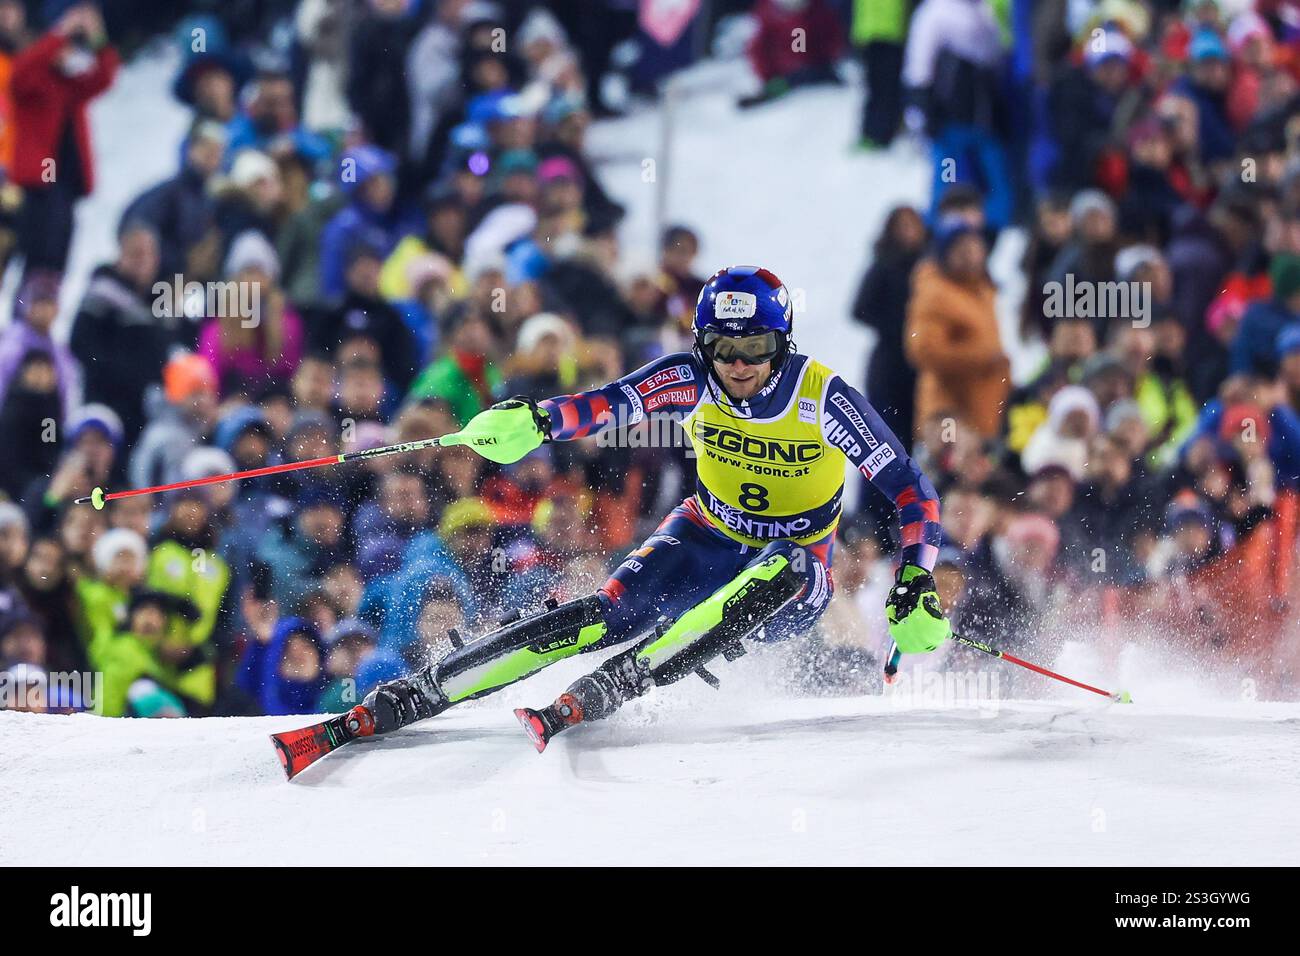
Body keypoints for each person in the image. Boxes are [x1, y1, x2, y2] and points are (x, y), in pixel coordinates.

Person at [362, 265, 950, 750]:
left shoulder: (822, 397)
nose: (739, 365)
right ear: (704, 346)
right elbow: (607, 405)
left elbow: (909, 487)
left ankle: (626, 677)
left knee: (785, 566)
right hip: (706, 536)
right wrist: (538, 420)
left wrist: (915, 577)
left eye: (756, 349)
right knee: (606, 614)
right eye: (724, 349)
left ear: (782, 344)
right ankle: (427, 688)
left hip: (797, 575)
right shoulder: (691, 378)